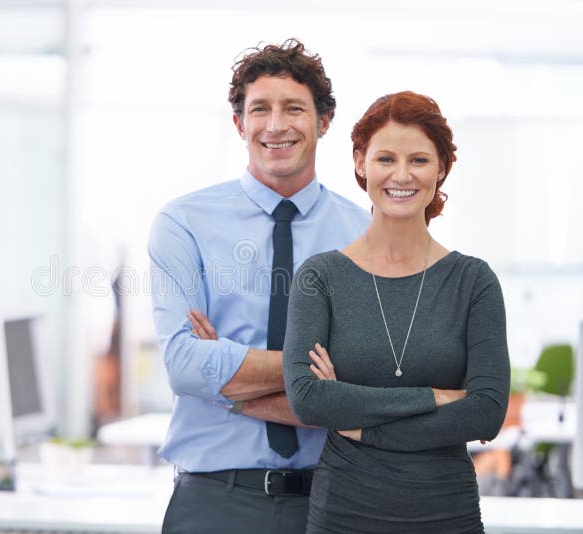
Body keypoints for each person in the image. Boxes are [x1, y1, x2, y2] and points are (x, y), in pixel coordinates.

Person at [148, 39, 370, 533]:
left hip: (336, 502)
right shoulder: (183, 223)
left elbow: (370, 388)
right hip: (214, 503)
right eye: (260, 109)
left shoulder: (366, 234)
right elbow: (185, 366)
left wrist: (228, 383)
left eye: (294, 108)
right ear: (238, 123)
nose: (276, 125)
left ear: (324, 121)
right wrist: (316, 374)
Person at [282, 91, 510, 532]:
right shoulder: (320, 277)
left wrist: (359, 423)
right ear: (360, 162)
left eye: (419, 160)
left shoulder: (474, 281)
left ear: (441, 168)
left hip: (446, 514)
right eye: (386, 158)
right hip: (343, 514)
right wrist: (434, 398)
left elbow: (485, 412)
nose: (401, 176)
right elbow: (309, 399)